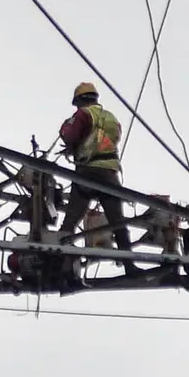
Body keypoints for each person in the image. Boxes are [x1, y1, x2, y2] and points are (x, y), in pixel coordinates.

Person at [56, 81, 129, 251]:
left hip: (87, 171)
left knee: (71, 219)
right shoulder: (111, 117)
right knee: (117, 220)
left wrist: (69, 136)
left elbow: (69, 134)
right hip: (109, 172)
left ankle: (63, 261)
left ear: (80, 100)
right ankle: (129, 264)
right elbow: (110, 138)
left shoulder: (83, 114)